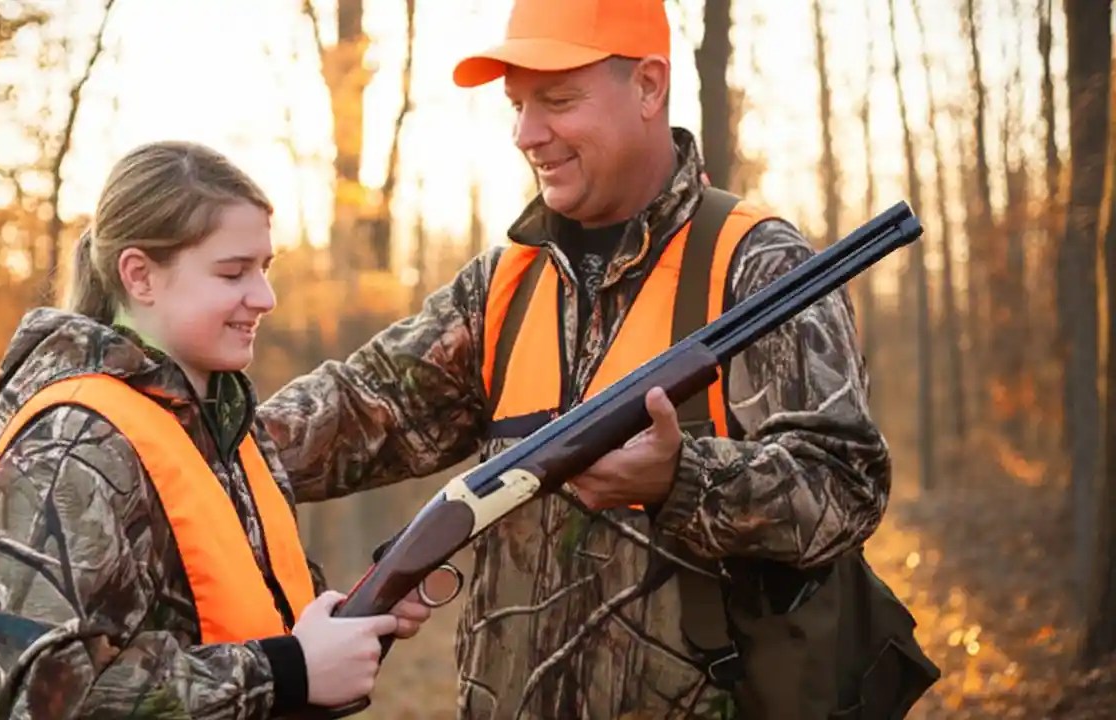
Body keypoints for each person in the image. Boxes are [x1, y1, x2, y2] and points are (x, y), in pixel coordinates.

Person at [260, 1, 939, 718]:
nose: (527, 133)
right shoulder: (504, 286)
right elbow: (358, 411)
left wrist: (683, 478)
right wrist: (175, 434)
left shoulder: (758, 267)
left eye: (557, 100)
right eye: (517, 105)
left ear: (648, 87)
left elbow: (844, 487)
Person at [0, 140, 433, 719]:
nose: (264, 298)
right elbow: (50, 700)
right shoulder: (68, 443)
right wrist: (289, 669)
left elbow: (242, 628)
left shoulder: (219, 422)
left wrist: (358, 620)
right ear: (140, 275)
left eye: (264, 269)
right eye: (232, 272)